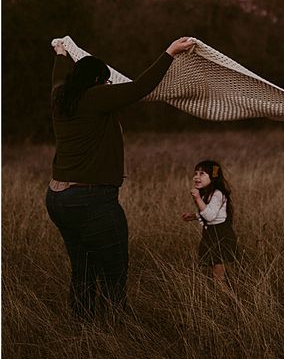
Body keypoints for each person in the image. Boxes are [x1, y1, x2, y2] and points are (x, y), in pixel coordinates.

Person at [47, 36, 196, 319]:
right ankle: (117, 328)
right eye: (106, 81)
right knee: (115, 271)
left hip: (58, 199)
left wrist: (59, 53)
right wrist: (169, 53)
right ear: (97, 82)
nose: (108, 86)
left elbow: (59, 75)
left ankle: (83, 328)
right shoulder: (95, 98)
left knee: (83, 269)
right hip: (90, 199)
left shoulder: (60, 96)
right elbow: (140, 88)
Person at [181, 160, 239, 287]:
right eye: (195, 173)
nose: (196, 177)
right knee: (218, 274)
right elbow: (214, 214)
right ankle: (229, 298)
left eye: (202, 173)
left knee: (218, 277)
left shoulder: (218, 194)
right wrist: (194, 216)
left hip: (221, 237)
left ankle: (228, 303)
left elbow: (210, 216)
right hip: (211, 236)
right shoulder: (207, 193)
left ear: (213, 177)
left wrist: (196, 198)